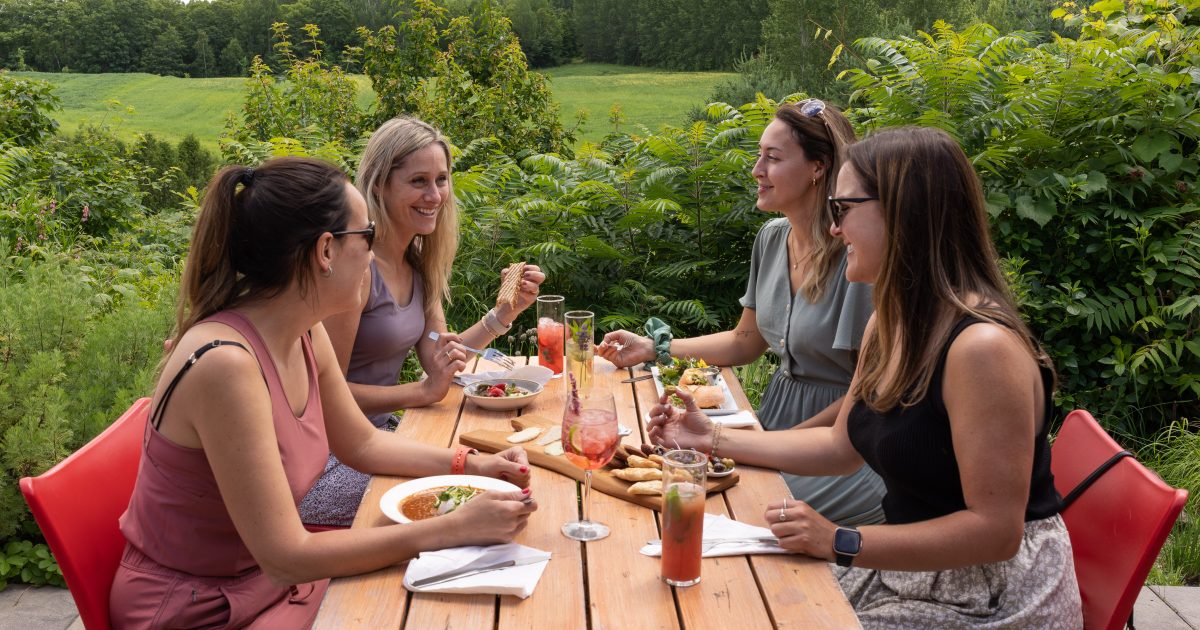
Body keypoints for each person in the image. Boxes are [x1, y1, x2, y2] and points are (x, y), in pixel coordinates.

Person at [647, 127, 1082, 626]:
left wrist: (838, 540)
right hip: (907, 570)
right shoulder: (889, 324)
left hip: (992, 592)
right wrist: (712, 437)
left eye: (843, 209)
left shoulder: (981, 350)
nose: (834, 230)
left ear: (905, 215)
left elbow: (995, 531)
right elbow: (838, 446)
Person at [110, 157, 537, 629]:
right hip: (201, 607)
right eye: (367, 238)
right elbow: (288, 557)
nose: (374, 256)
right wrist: (452, 528)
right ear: (325, 251)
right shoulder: (226, 365)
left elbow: (363, 443)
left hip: (268, 584)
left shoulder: (302, 332)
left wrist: (470, 465)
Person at [597, 99, 886, 526]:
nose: (757, 170)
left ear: (817, 168)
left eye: (772, 158)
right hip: (773, 419)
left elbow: (869, 398)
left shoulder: (857, 256)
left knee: (727, 507)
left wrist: (751, 442)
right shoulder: (772, 239)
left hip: (844, 442)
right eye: (758, 156)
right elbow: (746, 341)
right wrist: (654, 349)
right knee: (675, 481)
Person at [299, 117, 546, 526]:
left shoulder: (417, 263)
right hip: (329, 459)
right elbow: (324, 394)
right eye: (418, 181)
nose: (435, 195)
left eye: (442, 180)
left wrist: (504, 314)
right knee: (466, 503)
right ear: (379, 184)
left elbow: (439, 359)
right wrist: (420, 392)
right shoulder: (356, 270)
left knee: (499, 486)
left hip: (382, 437)